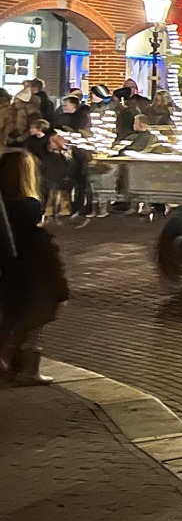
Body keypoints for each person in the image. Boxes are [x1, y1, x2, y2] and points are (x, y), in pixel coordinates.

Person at [0, 148, 67, 383]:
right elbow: (43, 254)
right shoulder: (28, 209)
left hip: (11, 274)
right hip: (30, 276)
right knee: (31, 324)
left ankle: (12, 365)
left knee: (13, 322)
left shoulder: (5, 207)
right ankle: (27, 371)